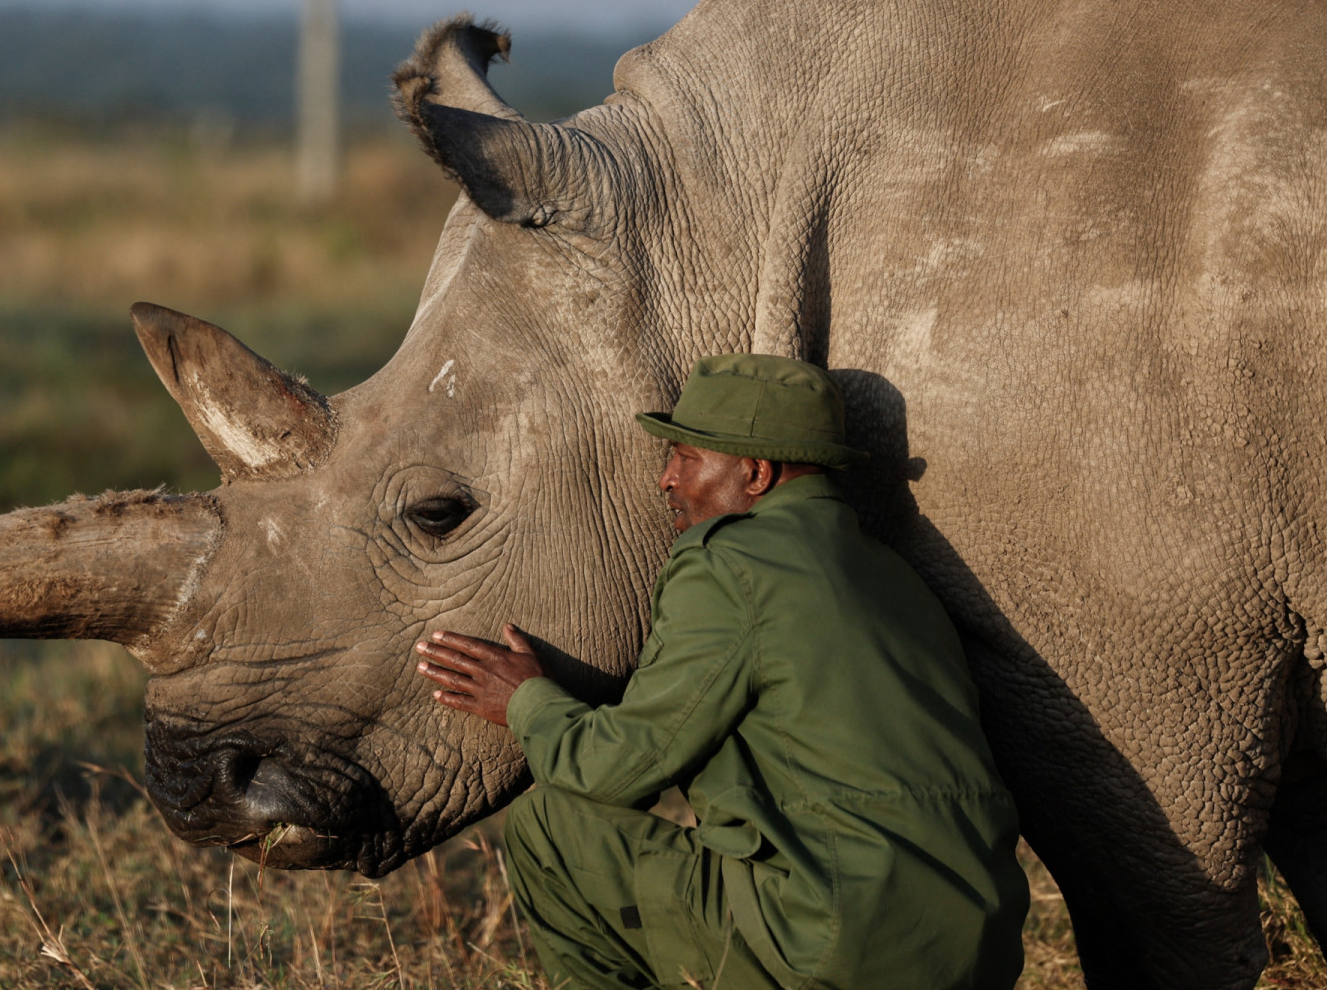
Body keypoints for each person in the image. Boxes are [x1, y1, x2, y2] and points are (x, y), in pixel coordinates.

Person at [415, 353, 1028, 990]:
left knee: (553, 828)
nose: (666, 480)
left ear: (756, 473)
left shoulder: (728, 563)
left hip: (831, 945)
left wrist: (525, 700)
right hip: (979, 950)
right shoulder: (897, 575)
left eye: (685, 457)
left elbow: (618, 772)